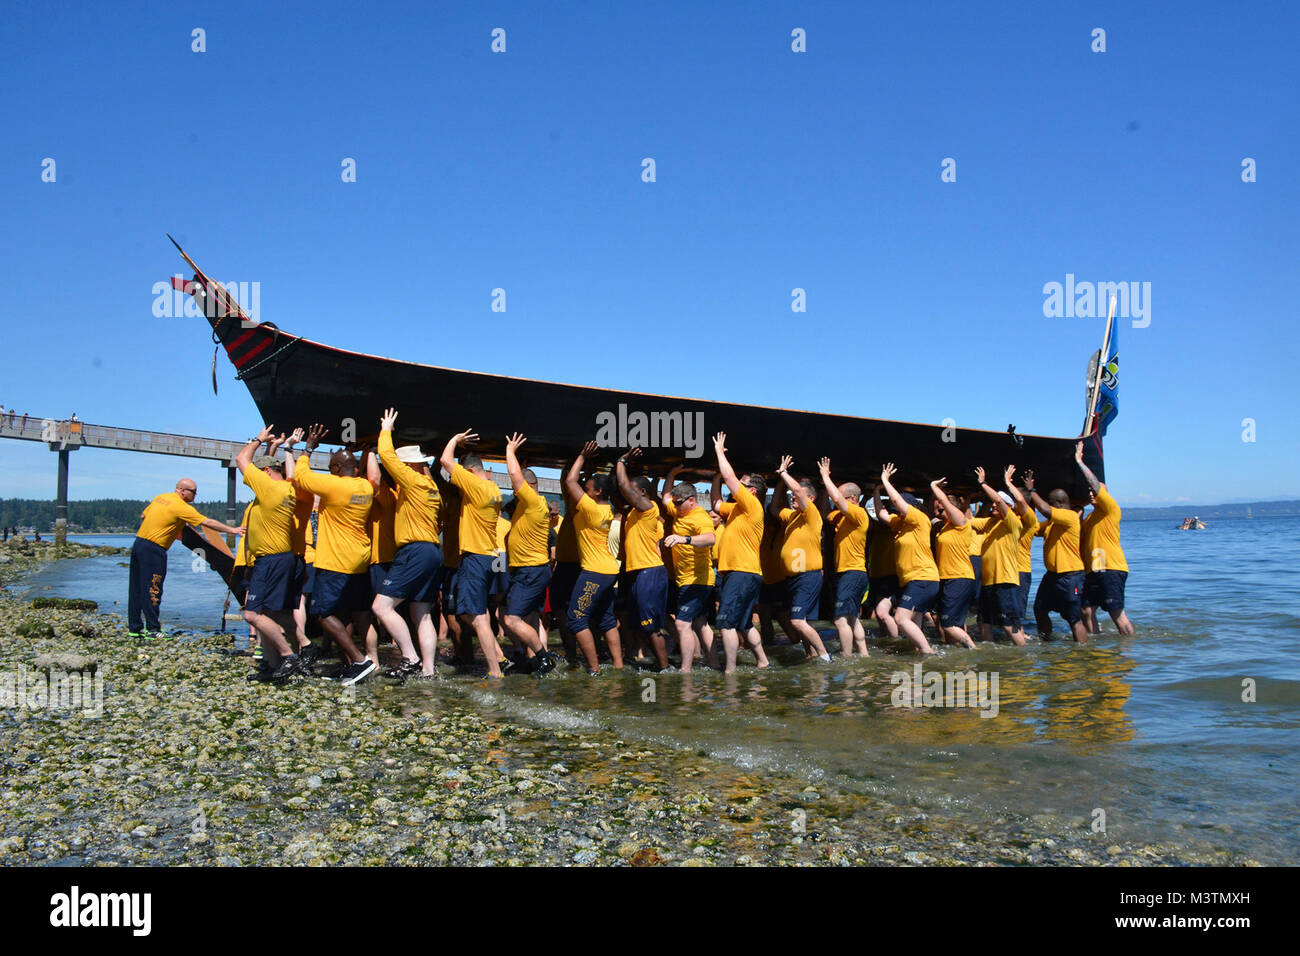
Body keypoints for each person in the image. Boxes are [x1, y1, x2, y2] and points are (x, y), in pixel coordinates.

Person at [293, 424, 381, 684]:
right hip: (360, 559)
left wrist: (308, 447)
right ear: (355, 470)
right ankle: (357, 664)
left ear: (333, 470)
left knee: (322, 613)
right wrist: (364, 454)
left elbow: (300, 475)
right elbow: (370, 476)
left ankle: (359, 660)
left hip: (336, 561)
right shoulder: (365, 487)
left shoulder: (332, 485)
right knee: (353, 612)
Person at [373, 408, 446, 679]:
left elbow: (387, 456)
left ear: (411, 465)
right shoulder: (433, 489)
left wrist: (386, 429)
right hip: (432, 552)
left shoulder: (412, 480)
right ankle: (428, 670)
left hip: (414, 550)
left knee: (381, 607)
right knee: (422, 613)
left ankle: (411, 657)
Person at [128, 478, 244, 638]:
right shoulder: (181, 507)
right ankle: (153, 630)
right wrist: (233, 530)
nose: (195, 495)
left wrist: (170, 524)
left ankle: (134, 628)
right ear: (182, 491)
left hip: (139, 543)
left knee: (136, 588)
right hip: (155, 549)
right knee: (154, 588)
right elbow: (207, 522)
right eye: (193, 492)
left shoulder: (161, 497)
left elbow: (143, 515)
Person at [234, 425, 304, 682]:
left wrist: (257, 440)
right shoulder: (287, 488)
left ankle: (288, 656)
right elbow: (285, 470)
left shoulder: (268, 489)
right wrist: (282, 448)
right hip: (282, 558)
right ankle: (273, 667)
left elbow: (242, 459)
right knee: (273, 614)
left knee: (252, 614)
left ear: (265, 473)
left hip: (271, 559)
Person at [439, 427, 507, 678]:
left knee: (475, 617)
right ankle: (498, 657)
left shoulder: (475, 485)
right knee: (474, 613)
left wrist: (455, 439)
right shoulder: (494, 489)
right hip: (488, 556)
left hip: (474, 557)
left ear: (468, 472)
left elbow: (445, 461)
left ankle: (495, 669)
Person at [562, 441, 624, 674]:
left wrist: (581, 454)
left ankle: (594, 669)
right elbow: (578, 483)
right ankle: (618, 666)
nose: (584, 487)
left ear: (597, 492)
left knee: (576, 620)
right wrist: (589, 468)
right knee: (606, 619)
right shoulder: (607, 509)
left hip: (594, 571)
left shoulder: (590, 508)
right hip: (609, 571)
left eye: (588, 487)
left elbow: (569, 481)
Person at [711, 432, 770, 672]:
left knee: (725, 623)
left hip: (742, 572)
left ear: (751, 491)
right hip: (744, 573)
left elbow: (729, 476)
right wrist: (715, 476)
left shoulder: (752, 505)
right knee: (744, 624)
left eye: (741, 486)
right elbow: (715, 503)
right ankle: (763, 662)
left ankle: (730, 670)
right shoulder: (737, 509)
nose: (735, 487)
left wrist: (718, 451)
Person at [500, 432, 556, 672]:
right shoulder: (532, 503)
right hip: (533, 570)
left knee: (511, 619)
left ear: (529, 486)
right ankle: (534, 659)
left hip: (530, 571)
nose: (514, 491)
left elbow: (514, 476)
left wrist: (510, 452)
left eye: (519, 487)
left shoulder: (532, 501)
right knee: (531, 618)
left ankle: (544, 657)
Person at [614, 448, 670, 670]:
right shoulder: (633, 513)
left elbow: (623, 486)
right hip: (639, 572)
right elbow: (618, 493)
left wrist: (622, 460)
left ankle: (664, 669)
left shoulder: (648, 508)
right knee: (640, 623)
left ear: (644, 495)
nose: (629, 497)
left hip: (651, 572)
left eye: (634, 494)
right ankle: (654, 663)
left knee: (650, 625)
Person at [769, 456, 829, 661]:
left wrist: (784, 473)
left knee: (796, 621)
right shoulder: (791, 516)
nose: (793, 498)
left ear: (810, 499)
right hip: (793, 578)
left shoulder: (812, 514)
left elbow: (797, 491)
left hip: (807, 576)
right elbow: (774, 509)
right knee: (801, 621)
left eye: (797, 497)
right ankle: (810, 655)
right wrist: (778, 483)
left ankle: (824, 656)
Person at [660, 470, 718, 672]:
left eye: (678, 503)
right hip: (684, 579)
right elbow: (665, 496)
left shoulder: (699, 517)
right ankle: (714, 663)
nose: (673, 506)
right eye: (675, 503)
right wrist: (673, 473)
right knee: (701, 622)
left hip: (697, 579)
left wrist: (684, 539)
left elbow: (710, 538)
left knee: (682, 625)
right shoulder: (679, 511)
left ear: (691, 500)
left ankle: (685, 670)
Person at [1075, 441, 1135, 635]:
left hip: (1112, 568)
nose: (1091, 493)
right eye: (1090, 492)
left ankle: (1127, 648)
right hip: (1095, 569)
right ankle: (1095, 646)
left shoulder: (1111, 509)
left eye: (1095, 491)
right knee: (1086, 610)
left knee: (1115, 613)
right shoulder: (1091, 518)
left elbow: (1094, 482)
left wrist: (1079, 461)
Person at [1024, 470, 1089, 643]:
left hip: (1071, 575)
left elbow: (1045, 510)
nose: (1049, 506)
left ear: (1059, 504)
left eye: (1052, 503)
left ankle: (1082, 651)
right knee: (1040, 609)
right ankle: (1046, 642)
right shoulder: (1053, 524)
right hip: (1052, 576)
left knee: (1074, 618)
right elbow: (1034, 528)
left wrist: (1032, 491)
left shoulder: (1070, 517)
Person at [878, 463, 937, 654]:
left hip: (922, 578)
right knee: (913, 622)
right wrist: (876, 491)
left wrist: (885, 480)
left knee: (901, 618)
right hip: (914, 579)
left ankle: (929, 652)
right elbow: (882, 515)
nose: (896, 510)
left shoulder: (919, 518)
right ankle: (918, 655)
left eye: (901, 506)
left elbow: (896, 500)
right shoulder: (900, 524)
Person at [971, 466, 1028, 646]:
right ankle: (990, 654)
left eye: (998, 504)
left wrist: (983, 483)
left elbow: (998, 499)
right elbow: (966, 521)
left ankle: (1023, 655)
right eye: (994, 504)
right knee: (983, 622)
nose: (994, 505)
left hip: (1005, 581)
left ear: (1008, 507)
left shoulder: (1013, 522)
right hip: (988, 582)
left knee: (1008, 624)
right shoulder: (989, 523)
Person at [819, 458, 870, 657]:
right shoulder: (840, 516)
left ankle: (847, 656)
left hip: (852, 572)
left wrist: (825, 476)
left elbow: (838, 501)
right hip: (850, 573)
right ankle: (864, 654)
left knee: (840, 620)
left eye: (838, 497)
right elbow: (825, 513)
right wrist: (824, 490)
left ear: (852, 499)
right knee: (852, 618)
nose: (835, 500)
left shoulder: (858, 513)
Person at [928, 477, 976, 649]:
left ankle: (973, 650)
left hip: (959, 576)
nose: (938, 512)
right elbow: (933, 510)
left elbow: (944, 502)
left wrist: (934, 486)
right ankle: (957, 649)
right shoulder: (944, 526)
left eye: (941, 509)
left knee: (948, 623)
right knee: (950, 620)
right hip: (947, 577)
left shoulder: (961, 522)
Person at [866, 487, 901, 644]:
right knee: (879, 615)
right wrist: (868, 495)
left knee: (882, 613)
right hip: (875, 575)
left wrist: (876, 493)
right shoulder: (875, 526)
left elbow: (882, 516)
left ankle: (898, 642)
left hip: (890, 575)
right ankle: (887, 641)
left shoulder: (894, 522)